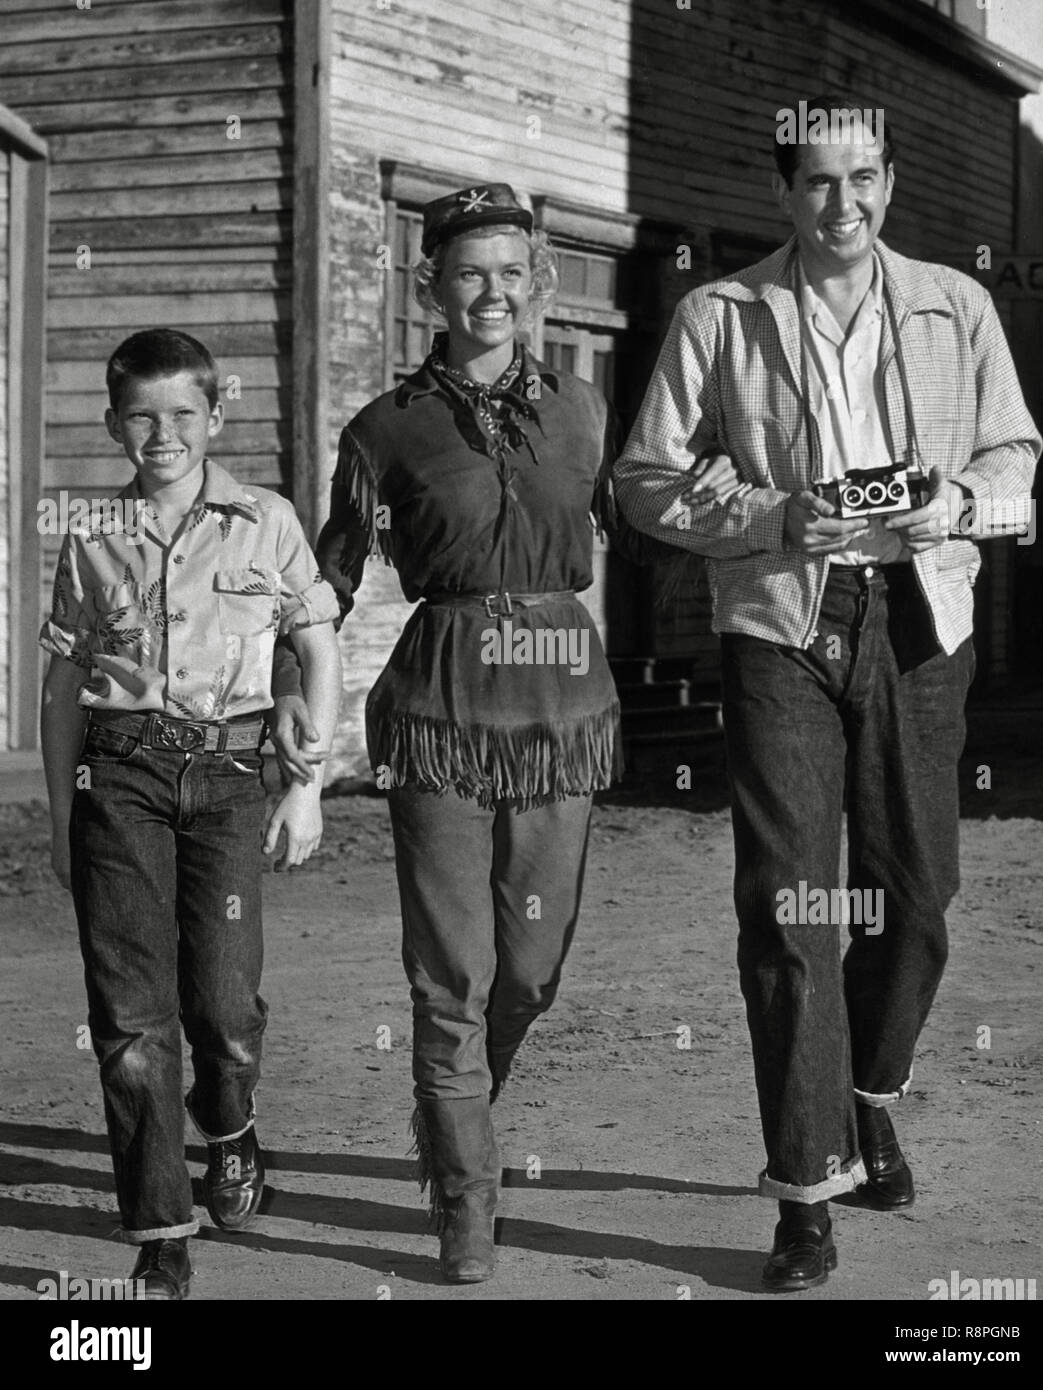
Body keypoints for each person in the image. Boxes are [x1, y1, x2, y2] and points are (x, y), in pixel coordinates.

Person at [615, 98, 1040, 1290]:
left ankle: (863, 1091)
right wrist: (770, 515)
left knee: (915, 898)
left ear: (891, 186)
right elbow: (645, 477)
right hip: (780, 621)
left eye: (860, 180)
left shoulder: (956, 307)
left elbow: (1015, 458)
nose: (839, 204)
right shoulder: (719, 312)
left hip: (915, 618)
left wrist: (954, 503)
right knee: (791, 909)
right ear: (783, 192)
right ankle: (804, 1190)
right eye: (815, 182)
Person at [272, 184, 670, 1284]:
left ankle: (452, 1112)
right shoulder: (384, 428)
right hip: (440, 715)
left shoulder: (587, 409)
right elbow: (328, 578)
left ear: (536, 284)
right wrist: (288, 701)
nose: (490, 291)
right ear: (431, 286)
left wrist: (737, 522)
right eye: (466, 272)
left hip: (560, 715)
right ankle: (465, 1200)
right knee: (451, 971)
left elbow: (641, 539)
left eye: (510, 271)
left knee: (529, 970)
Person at [39, 329, 341, 1300]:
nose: (160, 433)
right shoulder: (92, 534)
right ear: (112, 421)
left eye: (181, 413)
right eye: (140, 414)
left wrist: (307, 785)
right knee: (130, 1018)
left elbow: (316, 640)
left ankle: (233, 1123)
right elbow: (63, 685)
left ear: (219, 413)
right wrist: (58, 814)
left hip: (225, 777)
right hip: (117, 777)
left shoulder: (267, 521)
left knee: (223, 1002)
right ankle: (160, 1230)